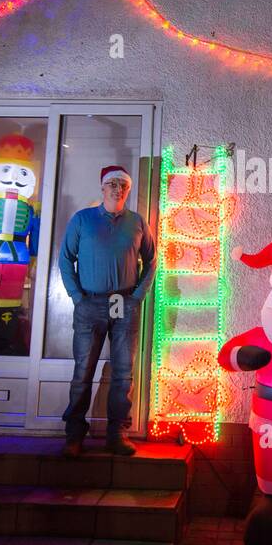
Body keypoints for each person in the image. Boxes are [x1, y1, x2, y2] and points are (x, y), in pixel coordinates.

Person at [57, 165, 155, 457]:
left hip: (124, 304)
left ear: (128, 190)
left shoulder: (137, 223)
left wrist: (137, 296)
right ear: (102, 188)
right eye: (111, 184)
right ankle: (74, 435)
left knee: (123, 374)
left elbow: (150, 261)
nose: (117, 188)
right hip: (90, 304)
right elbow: (65, 260)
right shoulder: (82, 220)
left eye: (122, 185)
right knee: (83, 372)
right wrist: (77, 297)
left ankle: (117, 434)